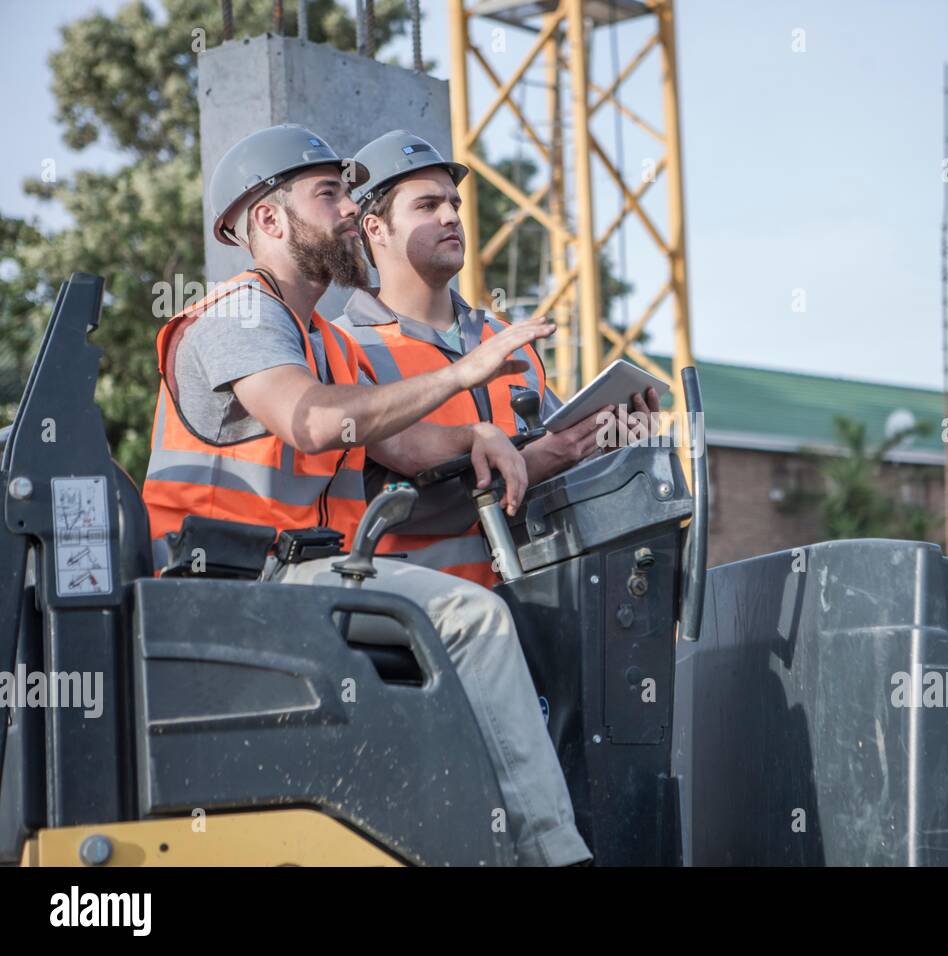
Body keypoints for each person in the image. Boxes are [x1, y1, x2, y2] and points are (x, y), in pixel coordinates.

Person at [140, 124, 590, 866]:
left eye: (350, 192)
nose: (351, 209)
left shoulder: (329, 339)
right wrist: (463, 375)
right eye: (329, 193)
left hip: (297, 579)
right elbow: (314, 421)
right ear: (268, 219)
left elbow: (403, 445)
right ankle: (553, 854)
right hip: (225, 584)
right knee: (469, 618)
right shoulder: (237, 315)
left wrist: (477, 436)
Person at [334, 130, 659, 586]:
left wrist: (604, 445)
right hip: (412, 623)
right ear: (375, 228)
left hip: (537, 609)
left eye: (454, 204)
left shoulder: (507, 340)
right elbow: (398, 508)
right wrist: (545, 459)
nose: (450, 216)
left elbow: (562, 476)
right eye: (427, 206)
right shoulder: (345, 349)